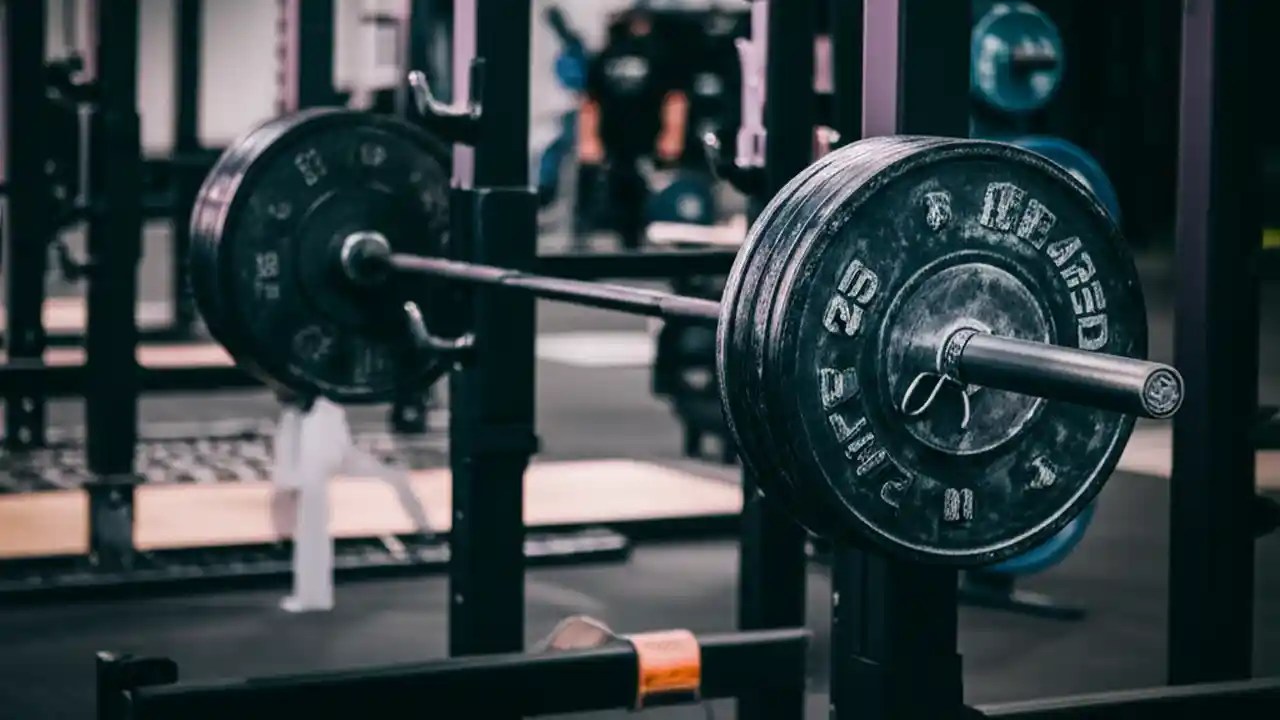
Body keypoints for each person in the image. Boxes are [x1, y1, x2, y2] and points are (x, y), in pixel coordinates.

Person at [270, 392, 432, 613]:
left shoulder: (316, 413)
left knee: (310, 507)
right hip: (313, 422)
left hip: (321, 423)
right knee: (303, 501)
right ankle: (304, 580)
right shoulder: (297, 419)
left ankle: (424, 528)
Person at [578, 4, 689, 249]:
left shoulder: (660, 54)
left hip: (647, 137)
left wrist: (672, 136)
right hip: (613, 138)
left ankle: (640, 242)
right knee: (614, 194)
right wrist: (589, 140)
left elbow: (674, 97)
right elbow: (590, 100)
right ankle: (619, 243)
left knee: (645, 195)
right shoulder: (607, 55)